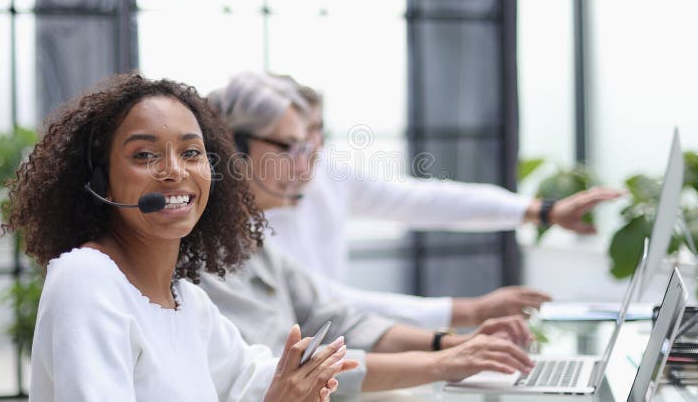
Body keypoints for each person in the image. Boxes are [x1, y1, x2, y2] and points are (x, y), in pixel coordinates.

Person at [5, 73, 356, 402]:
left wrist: (298, 378)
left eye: (191, 152)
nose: (175, 171)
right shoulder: (85, 280)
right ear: (101, 181)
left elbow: (243, 383)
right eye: (145, 155)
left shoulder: (188, 302)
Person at [204, 75, 536, 402]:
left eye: (308, 146)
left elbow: (337, 317)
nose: (304, 166)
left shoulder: (250, 240)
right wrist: (444, 359)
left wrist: (450, 344)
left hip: (323, 395)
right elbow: (283, 370)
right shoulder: (206, 260)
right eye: (289, 147)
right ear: (232, 148)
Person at [260, 73, 623, 328]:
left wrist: (542, 211)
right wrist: (468, 311)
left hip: (336, 347)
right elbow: (325, 300)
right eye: (295, 139)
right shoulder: (248, 219)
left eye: (317, 131)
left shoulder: (327, 176)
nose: (311, 147)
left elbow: (423, 199)